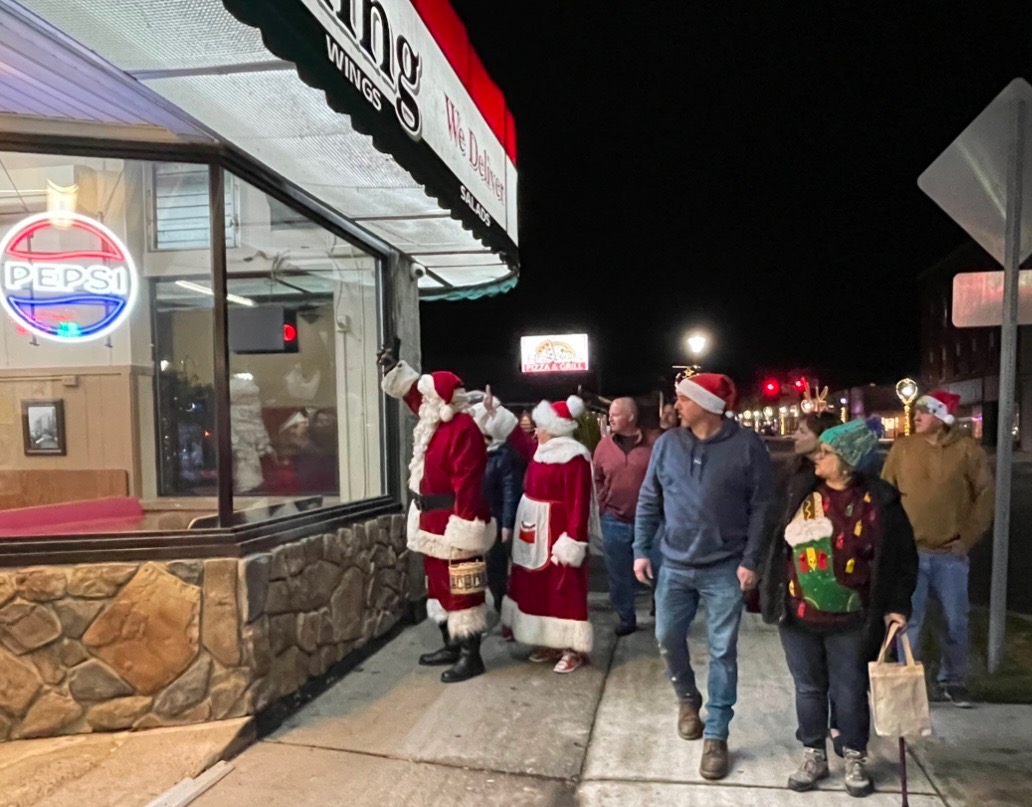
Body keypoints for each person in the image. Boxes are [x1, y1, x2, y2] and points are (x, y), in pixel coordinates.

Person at [761, 419, 917, 797]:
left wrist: (897, 605)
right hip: (798, 613)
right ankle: (814, 753)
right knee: (809, 688)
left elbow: (902, 559)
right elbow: (772, 538)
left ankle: (854, 755)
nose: (818, 456)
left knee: (849, 690)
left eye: (826, 452)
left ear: (847, 460)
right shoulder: (800, 490)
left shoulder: (881, 502)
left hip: (853, 618)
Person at [634, 372, 773, 781]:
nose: (676, 406)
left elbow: (764, 507)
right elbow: (649, 498)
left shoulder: (748, 447)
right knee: (666, 637)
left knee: (722, 651)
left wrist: (752, 560)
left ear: (709, 405)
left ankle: (716, 734)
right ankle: (687, 698)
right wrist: (641, 549)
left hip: (724, 568)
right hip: (674, 564)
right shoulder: (667, 445)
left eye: (683, 399)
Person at [379, 352, 493, 683]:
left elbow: (469, 483)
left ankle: (472, 656)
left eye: (428, 397)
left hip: (456, 521)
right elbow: (413, 394)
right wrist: (393, 368)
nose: (421, 402)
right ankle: (451, 645)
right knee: (440, 588)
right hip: (432, 520)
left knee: (464, 590)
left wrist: (466, 527)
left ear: (440, 400)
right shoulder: (436, 422)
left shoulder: (463, 429)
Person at [882, 390, 994, 708]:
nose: (916, 416)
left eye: (924, 412)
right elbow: (885, 495)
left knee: (955, 620)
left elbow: (984, 496)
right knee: (909, 622)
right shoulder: (902, 449)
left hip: (950, 556)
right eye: (916, 411)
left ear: (943, 417)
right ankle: (910, 687)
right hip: (909, 555)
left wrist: (967, 538)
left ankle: (953, 681)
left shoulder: (968, 451)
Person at [503, 396, 594, 674]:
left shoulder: (574, 457)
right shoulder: (541, 450)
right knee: (537, 587)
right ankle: (548, 640)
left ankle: (571, 648)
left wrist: (573, 540)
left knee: (563, 588)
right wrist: (499, 415)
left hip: (557, 533)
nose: (536, 431)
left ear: (555, 428)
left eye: (540, 426)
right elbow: (519, 441)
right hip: (533, 530)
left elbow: (580, 501)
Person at [593, 397, 657, 635]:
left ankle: (661, 614)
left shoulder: (653, 443)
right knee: (618, 573)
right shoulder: (603, 446)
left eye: (615, 414)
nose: (610, 419)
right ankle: (626, 619)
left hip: (650, 522)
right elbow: (597, 476)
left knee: (657, 570)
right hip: (615, 520)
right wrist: (604, 501)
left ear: (631, 416)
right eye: (610, 415)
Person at [471, 397, 526, 630]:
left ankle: (505, 613)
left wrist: (506, 524)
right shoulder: (477, 454)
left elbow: (509, 491)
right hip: (478, 518)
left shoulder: (504, 456)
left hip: (495, 517)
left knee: (497, 569)